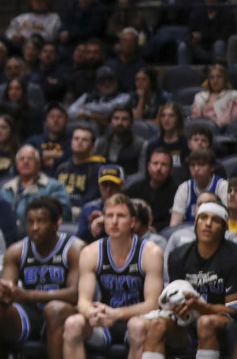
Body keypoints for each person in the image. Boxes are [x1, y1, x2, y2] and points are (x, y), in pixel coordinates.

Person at [0, 196, 82, 359]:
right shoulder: (16, 251)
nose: (34, 227)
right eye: (30, 222)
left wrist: (28, 295)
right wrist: (1, 291)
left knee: (55, 309)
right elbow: (8, 290)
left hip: (65, 315)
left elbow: (76, 295)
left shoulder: (75, 249)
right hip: (30, 314)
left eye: (41, 222)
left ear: (56, 223)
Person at [130, 198, 237, 359]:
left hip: (223, 324)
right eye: (203, 218)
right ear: (195, 223)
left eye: (215, 220)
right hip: (186, 323)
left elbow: (232, 310)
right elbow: (175, 296)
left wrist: (202, 307)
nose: (208, 224)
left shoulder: (233, 257)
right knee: (157, 325)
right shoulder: (178, 256)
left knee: (205, 322)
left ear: (223, 228)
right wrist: (175, 307)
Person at [62, 194, 163, 359]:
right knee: (72, 324)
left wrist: (117, 313)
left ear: (132, 222)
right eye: (109, 216)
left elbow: (153, 304)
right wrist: (93, 314)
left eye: (120, 216)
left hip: (137, 319)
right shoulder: (90, 252)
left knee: (137, 326)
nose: (114, 221)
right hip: (104, 322)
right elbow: (83, 302)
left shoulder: (150, 253)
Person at [171, 147, 229, 226]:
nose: (196, 168)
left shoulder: (222, 186)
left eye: (201, 164)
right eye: (192, 165)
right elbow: (174, 225)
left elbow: (227, 220)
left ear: (211, 167)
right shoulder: (184, 188)